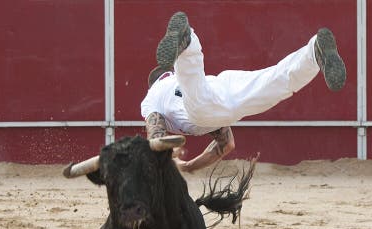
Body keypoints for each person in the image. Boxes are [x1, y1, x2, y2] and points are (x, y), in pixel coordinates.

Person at [141, 11, 346, 173]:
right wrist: (187, 165)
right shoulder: (176, 84)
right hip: (223, 85)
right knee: (275, 79)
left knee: (192, 78)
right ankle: (313, 51)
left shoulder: (151, 98)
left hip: (201, 107)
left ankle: (188, 40)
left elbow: (156, 133)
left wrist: (177, 160)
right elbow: (225, 143)